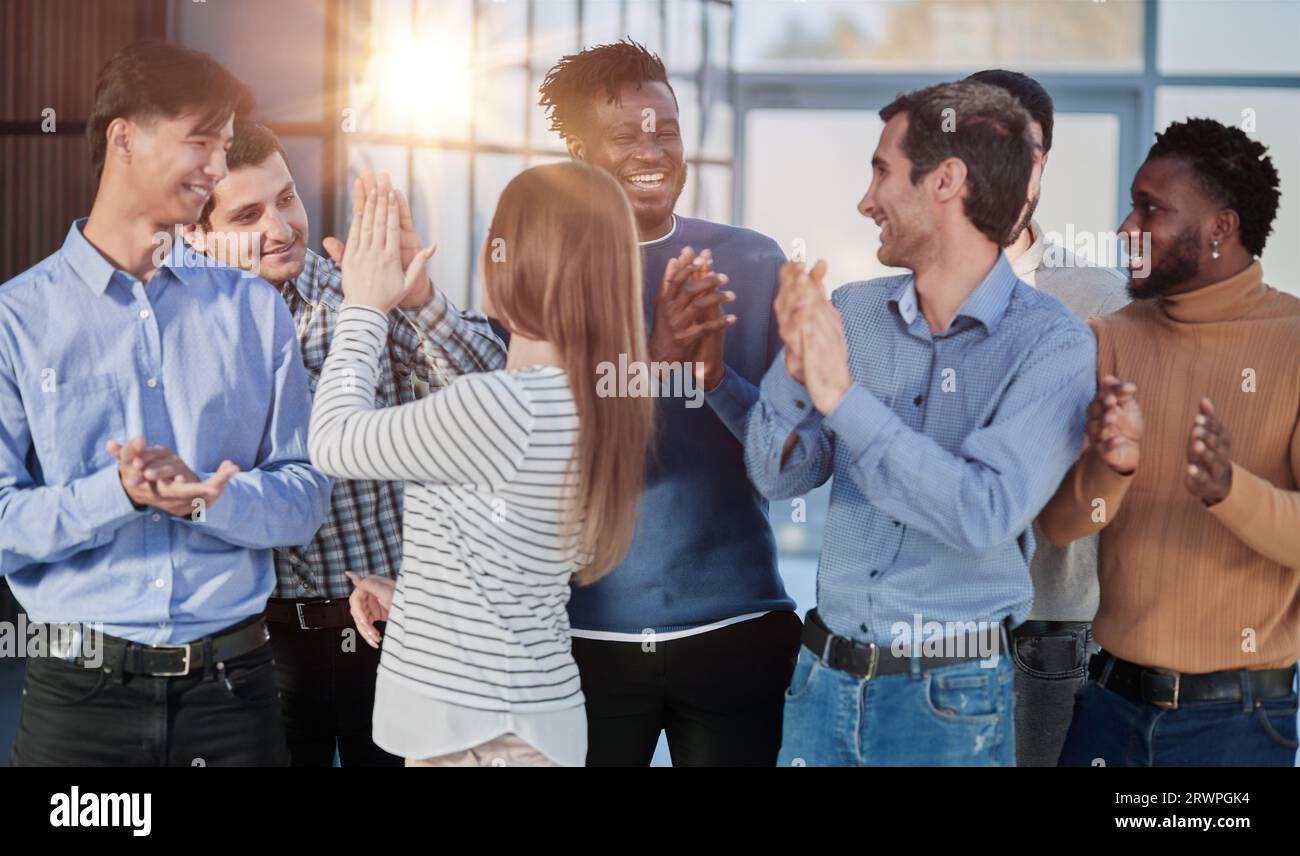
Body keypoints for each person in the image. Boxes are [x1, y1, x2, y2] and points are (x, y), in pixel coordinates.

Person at [0, 41, 332, 766]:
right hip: (77, 705)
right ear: (123, 137)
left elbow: (306, 497)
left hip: (234, 697)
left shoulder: (255, 312)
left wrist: (210, 500)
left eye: (221, 144)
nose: (216, 166)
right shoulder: (17, 319)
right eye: (199, 142)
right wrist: (115, 493)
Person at [746, 81, 1096, 766]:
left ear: (945, 181)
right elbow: (776, 472)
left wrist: (842, 397)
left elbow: (981, 512)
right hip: (819, 685)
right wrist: (793, 368)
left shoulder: (1051, 345)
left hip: (950, 703)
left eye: (881, 171)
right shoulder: (850, 310)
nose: (865, 200)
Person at [308, 162, 654, 766]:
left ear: (511, 261)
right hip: (520, 730)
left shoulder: (501, 407)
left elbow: (334, 440)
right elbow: (511, 571)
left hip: (473, 743)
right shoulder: (587, 402)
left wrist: (363, 306)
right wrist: (418, 601)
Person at [186, 120, 504, 766]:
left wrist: (416, 298)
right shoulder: (180, 332)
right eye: (249, 214)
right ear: (197, 234)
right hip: (256, 648)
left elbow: (495, 389)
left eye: (286, 198)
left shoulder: (358, 290)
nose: (282, 227)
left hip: (394, 629)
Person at [537, 39, 800, 767]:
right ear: (584, 154)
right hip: (584, 638)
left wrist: (715, 380)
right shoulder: (541, 273)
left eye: (667, 130)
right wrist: (652, 362)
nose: (653, 148)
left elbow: (791, 459)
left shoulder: (753, 261)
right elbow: (537, 454)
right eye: (627, 135)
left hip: (740, 630)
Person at [1041, 118, 1299, 767]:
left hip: (1236, 727)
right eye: (1132, 204)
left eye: (1150, 209)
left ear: (1221, 228)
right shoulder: (1111, 337)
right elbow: (1061, 526)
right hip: (1106, 706)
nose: (1126, 228)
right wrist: (1112, 469)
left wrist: (1228, 490)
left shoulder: (1294, 343)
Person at [965, 69, 1129, 766]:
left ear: (1042, 162)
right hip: (935, 629)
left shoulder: (1103, 298)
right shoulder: (900, 303)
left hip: (1057, 626)